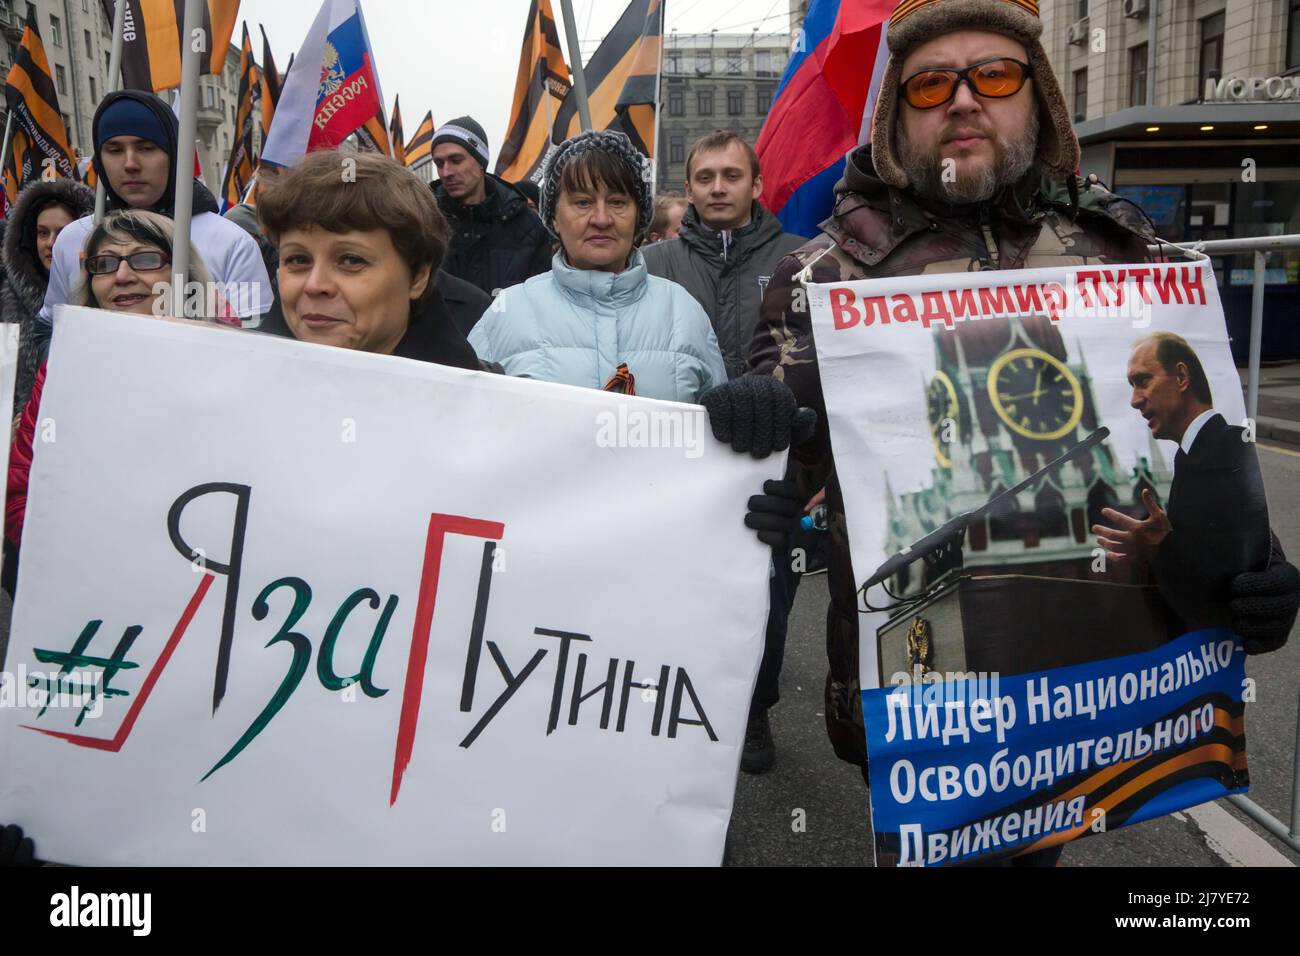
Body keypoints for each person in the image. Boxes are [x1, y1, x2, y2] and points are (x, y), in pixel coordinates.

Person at [698, 0, 1300, 866]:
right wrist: (746, 430)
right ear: (897, 116)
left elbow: (1186, 450)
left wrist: (1251, 568)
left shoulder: (1129, 254)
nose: (964, 101)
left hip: (1095, 700)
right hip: (933, 710)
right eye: (931, 83)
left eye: (995, 75)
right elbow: (776, 467)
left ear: (1040, 99)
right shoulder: (820, 275)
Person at [643, 130, 809, 773]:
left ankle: (755, 710)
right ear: (688, 189)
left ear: (756, 185)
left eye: (731, 176)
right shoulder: (653, 266)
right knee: (682, 595)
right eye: (705, 176)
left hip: (771, 464)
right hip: (680, 469)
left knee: (768, 597)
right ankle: (675, 713)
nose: (718, 187)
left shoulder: (803, 260)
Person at [7, 209, 236, 558]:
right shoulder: (64, 365)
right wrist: (77, 550)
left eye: (145, 260)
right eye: (106, 264)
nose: (123, 276)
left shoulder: (235, 364)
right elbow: (22, 490)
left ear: (183, 274)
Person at [468, 130, 726, 403]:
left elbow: (718, 428)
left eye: (617, 202)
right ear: (553, 217)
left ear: (639, 216)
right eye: (582, 202)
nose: (601, 219)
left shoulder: (684, 313)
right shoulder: (506, 315)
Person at [1094, 333, 1285, 646]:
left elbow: (1245, 540)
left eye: (1143, 380)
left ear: (1181, 377)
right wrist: (1161, 547)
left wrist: (1274, 575)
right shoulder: (1192, 453)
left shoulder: (1226, 446)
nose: (1134, 400)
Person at [38, 90, 274, 331]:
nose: (130, 164)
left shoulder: (232, 243)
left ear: (173, 154)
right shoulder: (71, 239)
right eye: (115, 150)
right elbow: (50, 327)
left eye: (146, 148)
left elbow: (256, 338)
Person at [256, 150, 481, 370]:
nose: (315, 285)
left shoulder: (497, 402)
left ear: (417, 278)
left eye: (351, 261)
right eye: (297, 259)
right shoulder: (230, 392)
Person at [430, 116, 553, 296]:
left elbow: (541, 299)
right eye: (439, 164)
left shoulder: (528, 225)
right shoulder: (423, 223)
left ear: (481, 162)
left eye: (456, 160)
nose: (446, 172)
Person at [1, 177, 95, 412]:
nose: (51, 243)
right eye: (43, 233)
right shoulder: (6, 299)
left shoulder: (105, 296)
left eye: (62, 232)